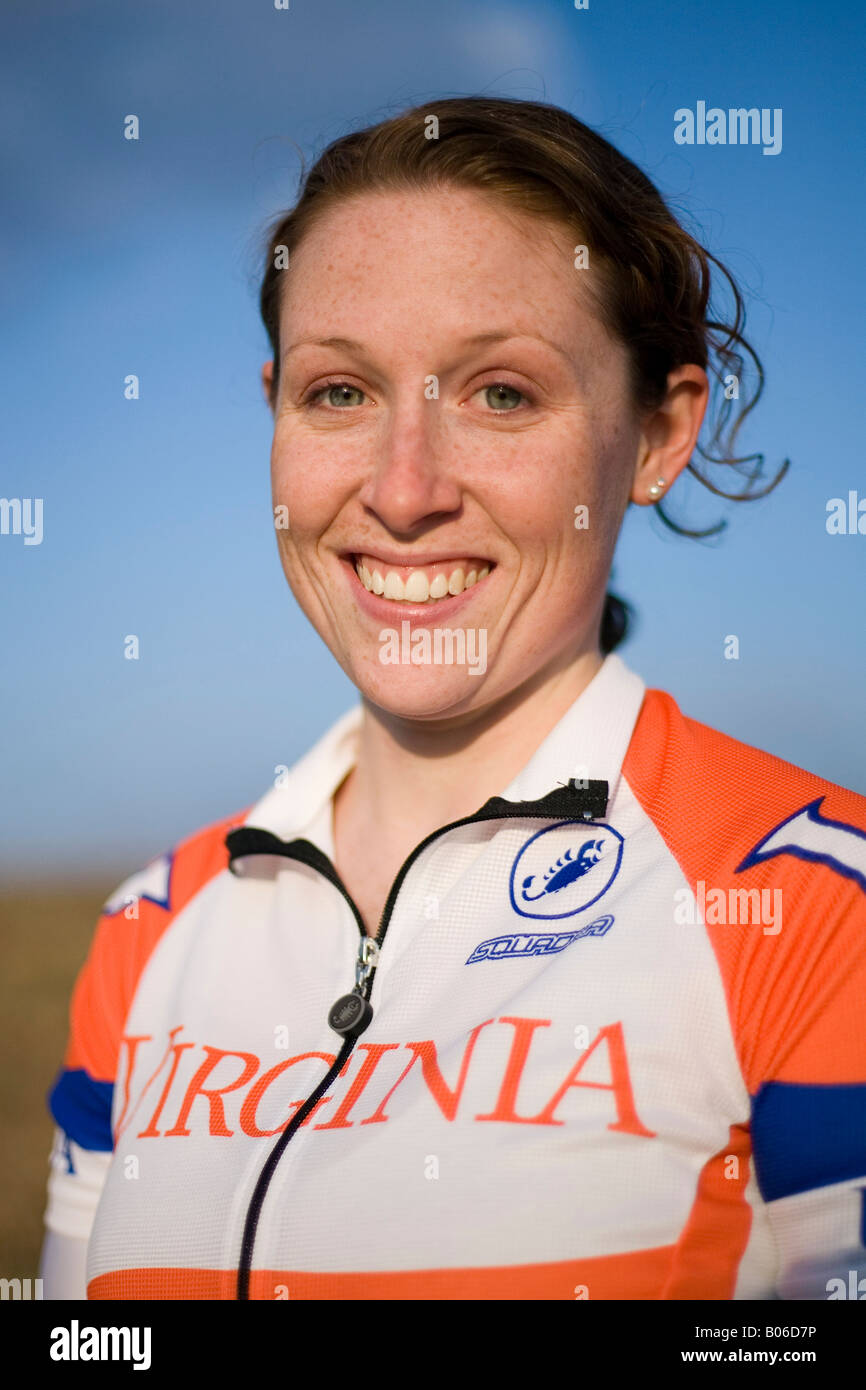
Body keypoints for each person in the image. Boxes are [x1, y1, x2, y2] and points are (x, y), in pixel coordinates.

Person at [41, 96, 866, 1301]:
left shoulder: (816, 913)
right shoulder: (149, 934)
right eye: (338, 393)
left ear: (656, 431)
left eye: (500, 394)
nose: (404, 487)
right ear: (272, 407)